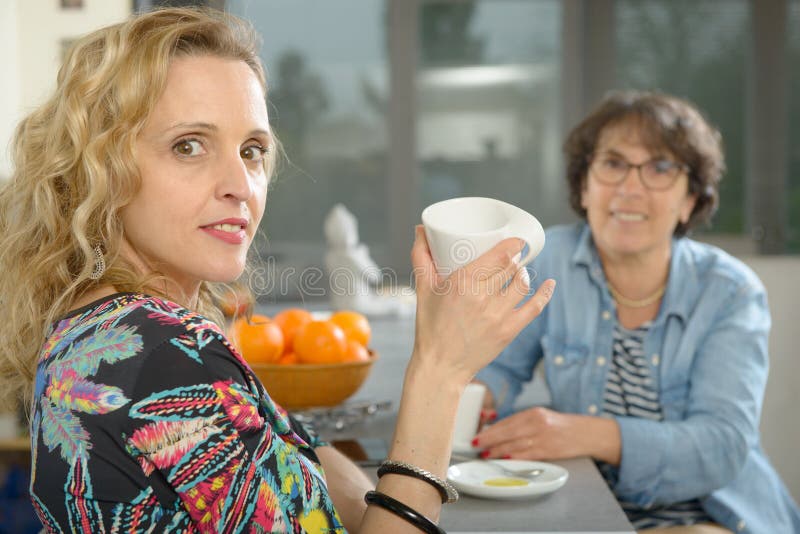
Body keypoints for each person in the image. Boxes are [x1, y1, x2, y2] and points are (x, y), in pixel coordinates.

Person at [0, 8, 555, 533]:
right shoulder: (162, 355)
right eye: (188, 145)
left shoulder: (104, 327)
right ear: (103, 169)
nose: (240, 185)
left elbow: (294, 454)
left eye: (251, 149)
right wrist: (440, 369)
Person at [473, 91, 800, 534]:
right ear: (584, 185)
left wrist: (586, 433)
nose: (631, 188)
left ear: (690, 199)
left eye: (660, 168)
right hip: (588, 509)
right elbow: (502, 368)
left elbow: (723, 446)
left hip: (712, 516)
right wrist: (470, 397)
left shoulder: (731, 292)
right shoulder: (551, 261)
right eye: (613, 163)